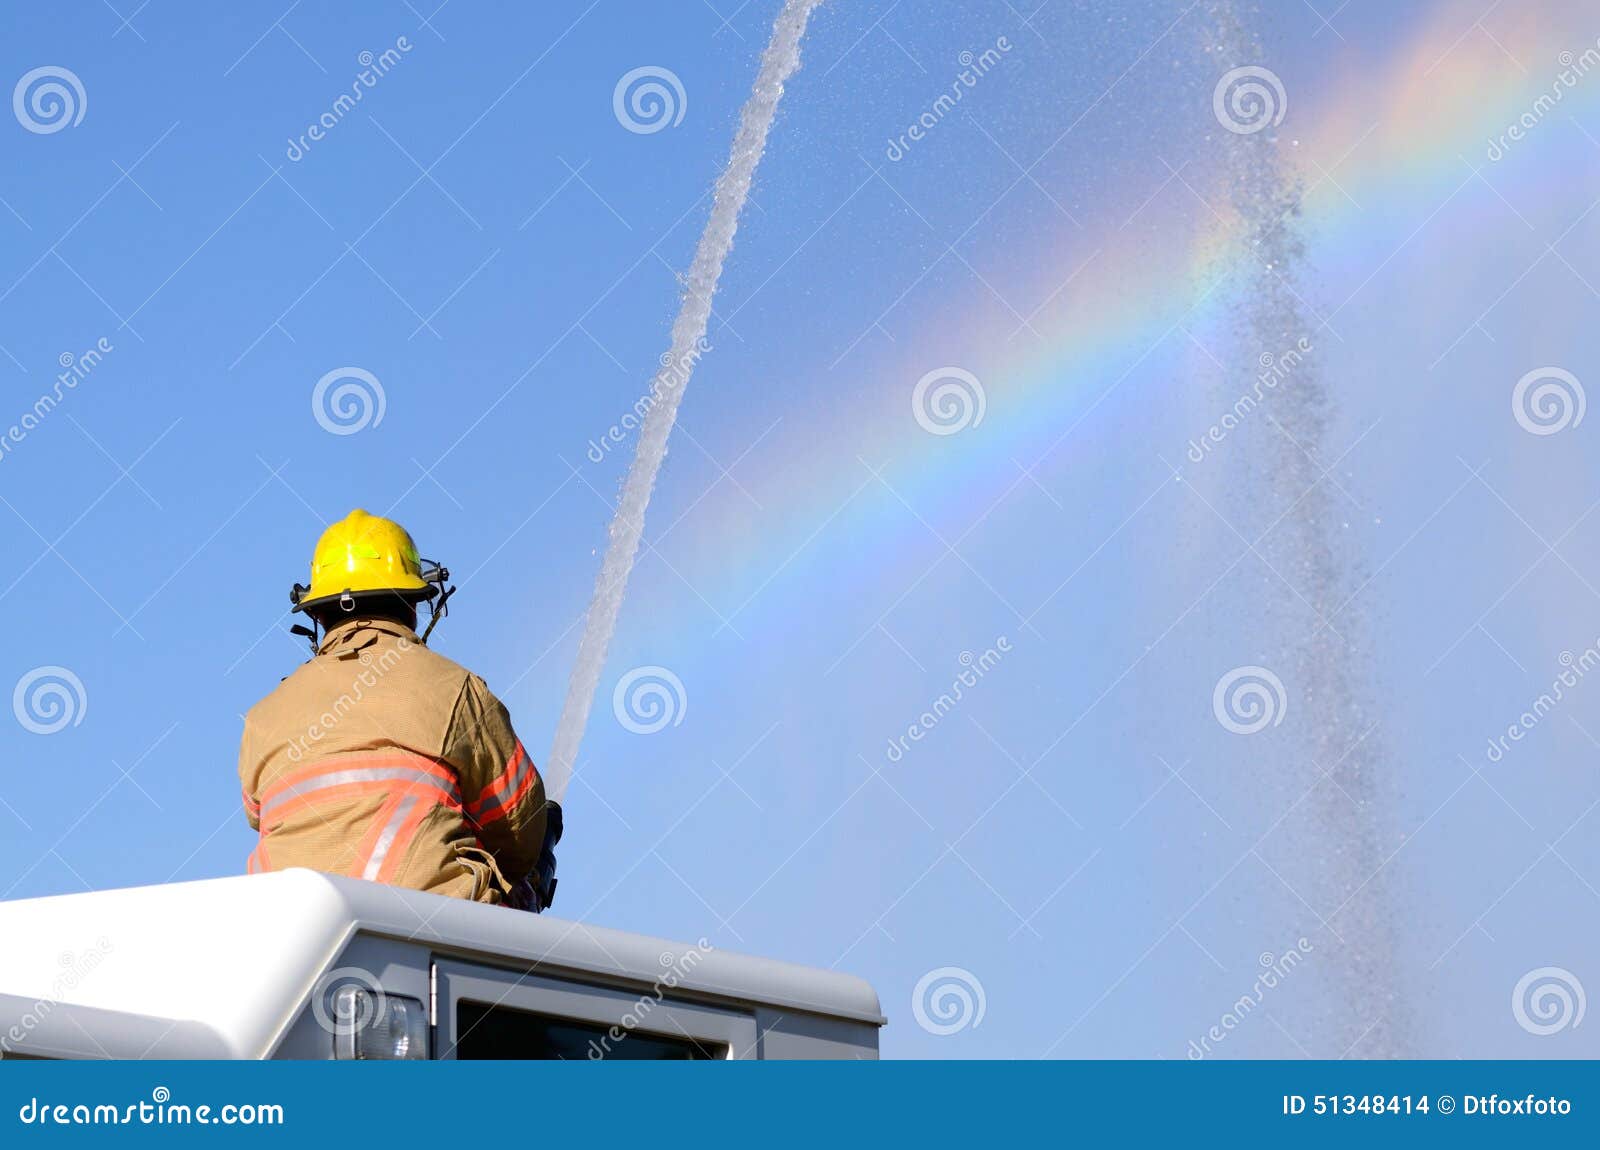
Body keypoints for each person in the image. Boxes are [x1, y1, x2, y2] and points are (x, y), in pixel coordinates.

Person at [238, 509, 559, 910]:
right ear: (413, 605)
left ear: (318, 614)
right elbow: (520, 830)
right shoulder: (455, 690)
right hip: (436, 937)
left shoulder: (262, 719)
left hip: (287, 941)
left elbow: (261, 816)